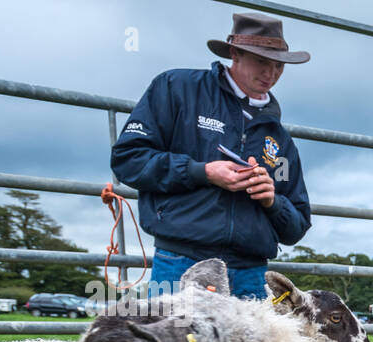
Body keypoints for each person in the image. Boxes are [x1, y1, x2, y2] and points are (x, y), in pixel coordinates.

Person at [111, 12, 313, 300]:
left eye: (279, 65)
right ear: (235, 53)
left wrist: (271, 201)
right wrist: (203, 172)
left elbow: (297, 225)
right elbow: (128, 160)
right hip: (181, 261)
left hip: (250, 272)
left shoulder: (279, 140)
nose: (271, 73)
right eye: (261, 61)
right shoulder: (176, 89)